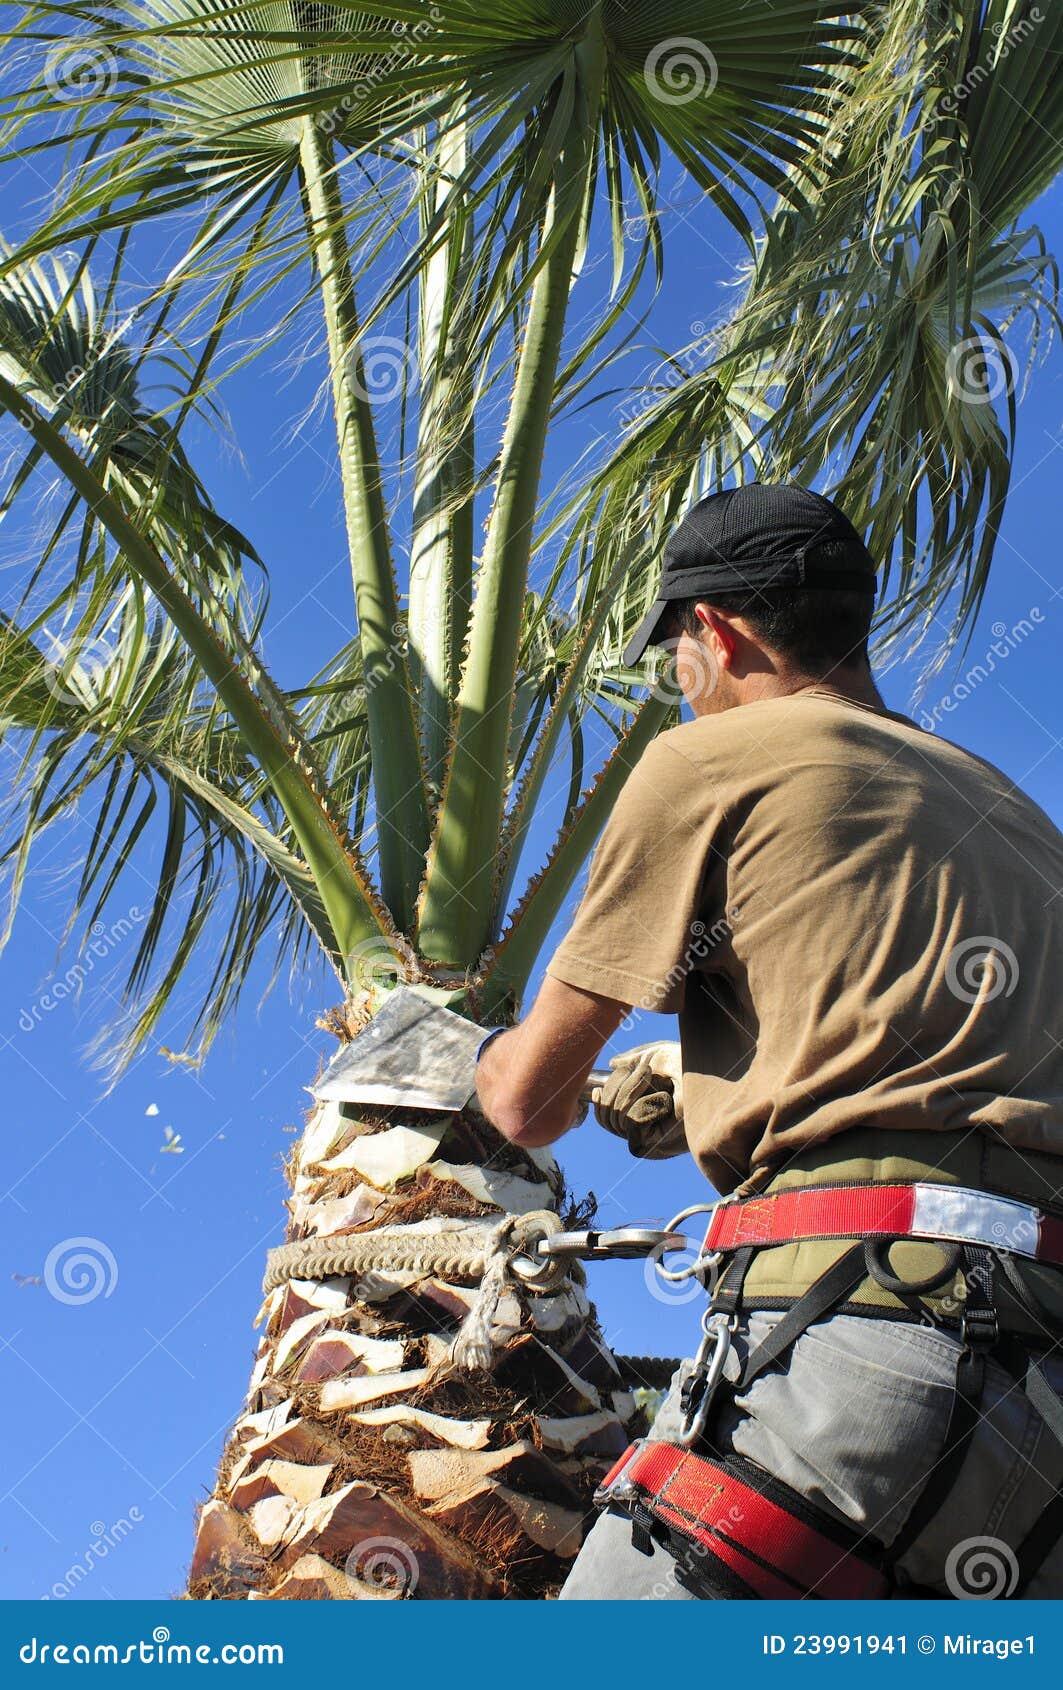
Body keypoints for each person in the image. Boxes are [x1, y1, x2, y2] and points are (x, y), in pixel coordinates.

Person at [475, 482, 1063, 1600]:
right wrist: (674, 1077)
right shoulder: (1011, 812)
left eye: (673, 660)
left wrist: (471, 1059)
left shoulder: (716, 757)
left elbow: (525, 1102)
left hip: (865, 1358)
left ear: (716, 632)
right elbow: (918, 1040)